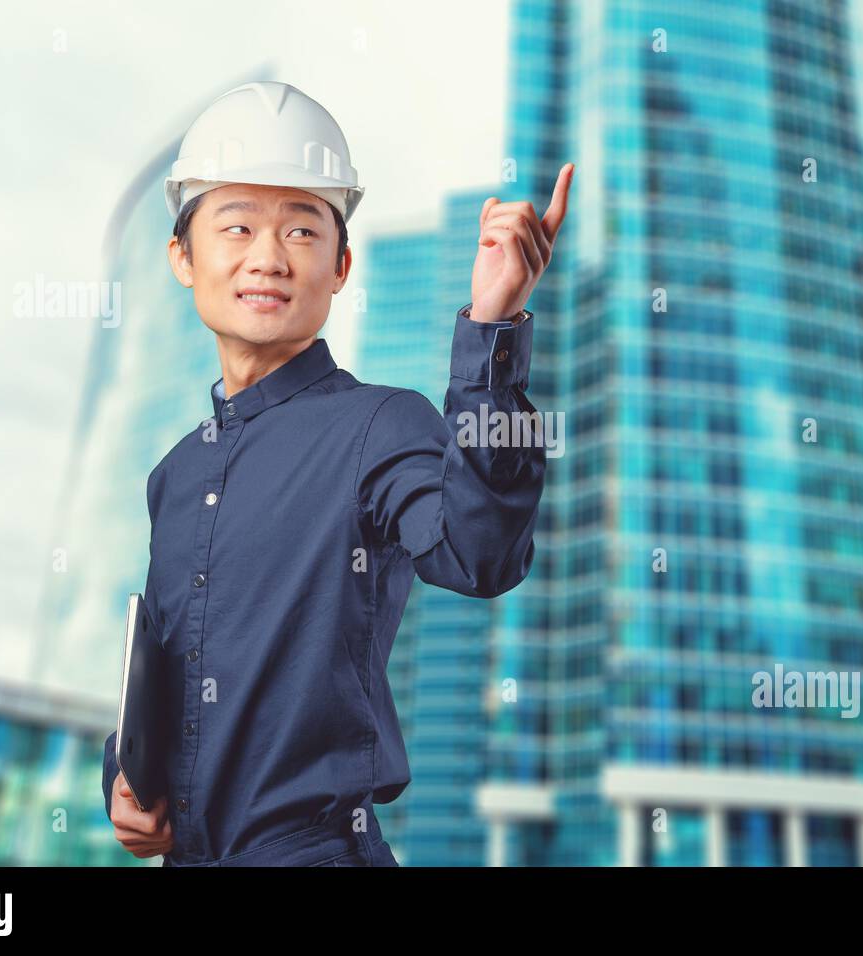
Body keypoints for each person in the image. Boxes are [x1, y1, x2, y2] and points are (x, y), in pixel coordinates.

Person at [101, 80, 572, 866]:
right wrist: (122, 775)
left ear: (342, 263)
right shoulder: (175, 475)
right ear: (182, 258)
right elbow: (172, 670)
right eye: (238, 226)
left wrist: (492, 333)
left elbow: (479, 556)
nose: (267, 258)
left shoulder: (379, 424)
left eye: (301, 231)